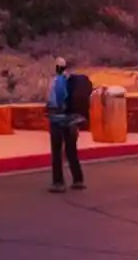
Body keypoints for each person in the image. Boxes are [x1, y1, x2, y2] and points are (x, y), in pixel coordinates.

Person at [46, 57, 84, 193]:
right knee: (71, 150)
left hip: (58, 119)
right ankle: (78, 179)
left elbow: (57, 98)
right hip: (72, 119)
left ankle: (58, 182)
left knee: (57, 151)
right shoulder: (74, 81)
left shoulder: (58, 80)